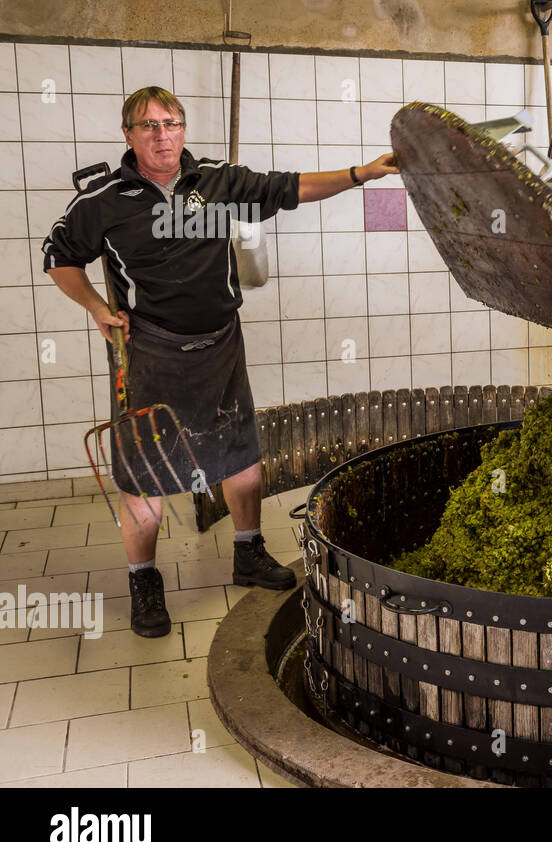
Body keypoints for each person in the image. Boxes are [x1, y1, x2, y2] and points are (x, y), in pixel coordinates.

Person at [43, 86, 399, 638]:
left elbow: (292, 188)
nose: (161, 134)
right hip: (151, 353)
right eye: (148, 125)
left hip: (222, 343)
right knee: (146, 476)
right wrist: (94, 307)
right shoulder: (102, 201)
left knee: (241, 456)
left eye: (170, 122)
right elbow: (59, 256)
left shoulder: (217, 182)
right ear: (128, 135)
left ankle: (248, 552)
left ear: (183, 129)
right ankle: (143, 581)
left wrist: (362, 173)